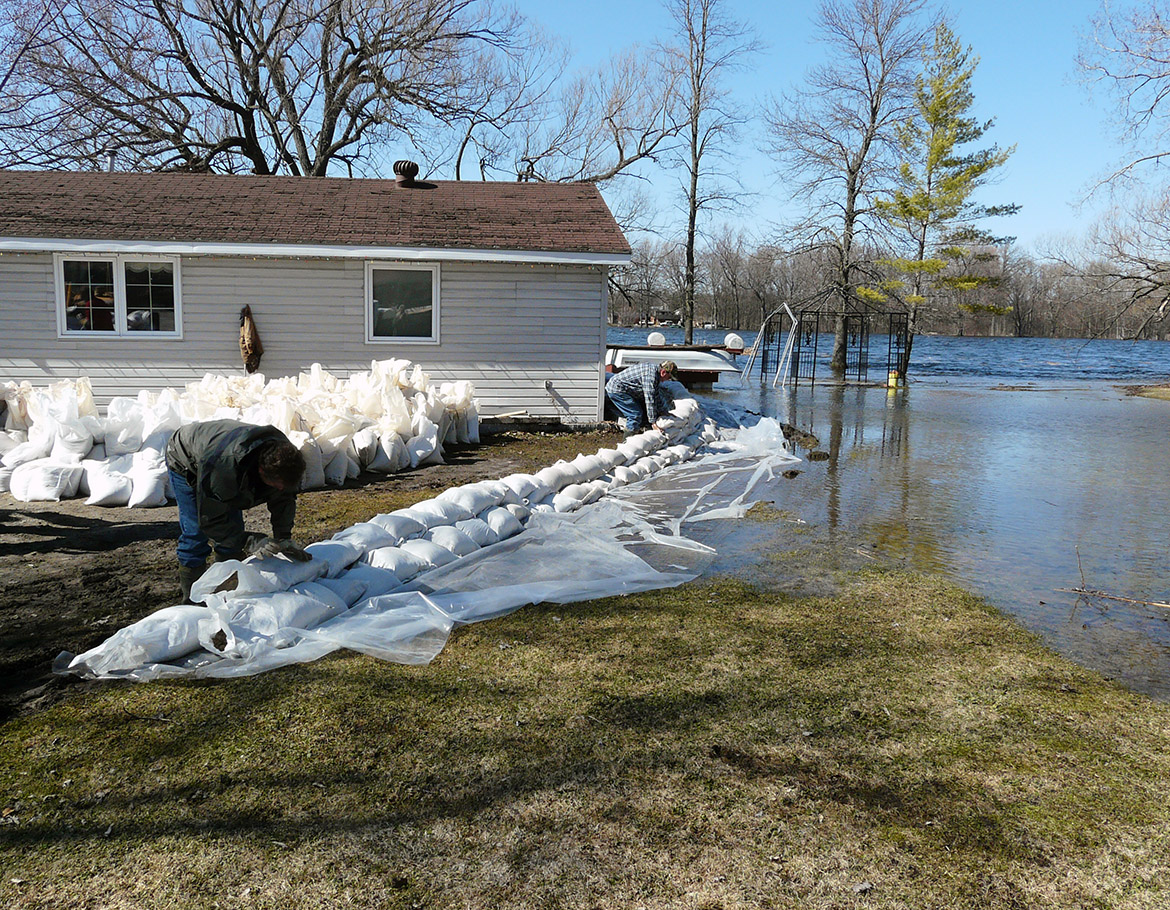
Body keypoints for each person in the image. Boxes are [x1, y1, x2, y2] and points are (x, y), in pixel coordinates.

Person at [165, 419, 311, 602]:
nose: (280, 489)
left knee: (231, 534)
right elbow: (210, 519)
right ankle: (192, 602)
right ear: (261, 471)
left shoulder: (287, 461)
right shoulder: (224, 467)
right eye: (276, 485)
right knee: (196, 534)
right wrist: (250, 541)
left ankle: (227, 592)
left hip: (227, 455)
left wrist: (284, 537)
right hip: (185, 458)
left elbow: (284, 499)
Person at [605, 360, 677, 435]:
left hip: (627, 390)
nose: (668, 380)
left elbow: (656, 395)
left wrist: (662, 411)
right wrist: (653, 422)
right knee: (634, 414)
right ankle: (628, 441)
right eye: (668, 377)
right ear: (663, 372)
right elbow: (649, 399)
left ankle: (636, 433)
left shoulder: (655, 374)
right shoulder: (650, 376)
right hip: (617, 389)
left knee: (640, 412)